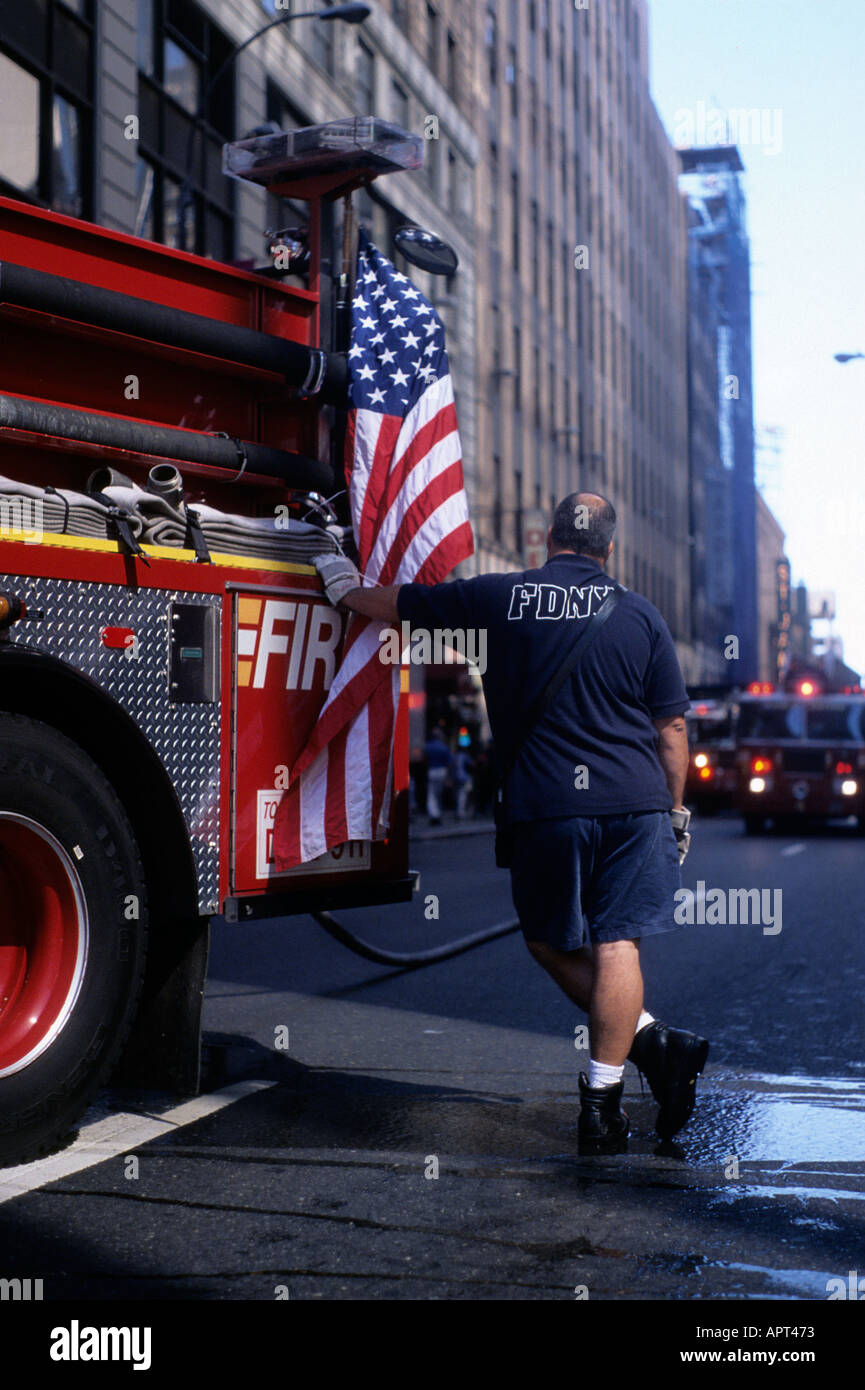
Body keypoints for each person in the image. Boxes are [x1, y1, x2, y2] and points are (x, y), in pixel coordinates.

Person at [314, 492, 709, 1155]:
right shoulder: (640, 614)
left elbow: (404, 604)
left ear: (545, 540)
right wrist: (673, 810)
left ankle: (651, 1047)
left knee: (551, 943)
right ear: (607, 551)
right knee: (618, 943)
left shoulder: (500, 598)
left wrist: (345, 589)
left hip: (546, 803)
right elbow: (670, 726)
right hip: (635, 803)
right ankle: (603, 1104)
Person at [423, 725, 453, 826]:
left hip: (431, 770)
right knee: (439, 794)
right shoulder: (444, 746)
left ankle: (434, 814)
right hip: (442, 771)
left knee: (431, 794)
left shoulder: (427, 746)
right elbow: (449, 762)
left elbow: (423, 759)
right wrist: (448, 776)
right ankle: (438, 813)